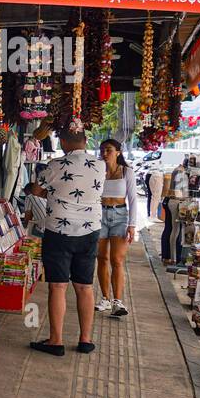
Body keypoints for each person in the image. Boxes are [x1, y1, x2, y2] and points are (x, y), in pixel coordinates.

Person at [28, 127, 105, 356]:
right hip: (90, 230)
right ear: (85, 141)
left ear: (62, 141)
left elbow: (36, 190)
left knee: (58, 286)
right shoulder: (99, 166)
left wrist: (53, 193)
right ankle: (85, 340)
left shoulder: (55, 166)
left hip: (58, 232)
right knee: (85, 287)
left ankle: (56, 340)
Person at [95, 139, 136, 317]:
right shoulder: (97, 170)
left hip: (120, 216)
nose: (105, 153)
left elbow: (133, 199)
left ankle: (117, 302)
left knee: (117, 260)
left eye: (109, 150)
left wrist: (132, 225)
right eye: (102, 150)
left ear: (118, 152)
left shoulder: (127, 171)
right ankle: (105, 298)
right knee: (102, 258)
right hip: (99, 215)